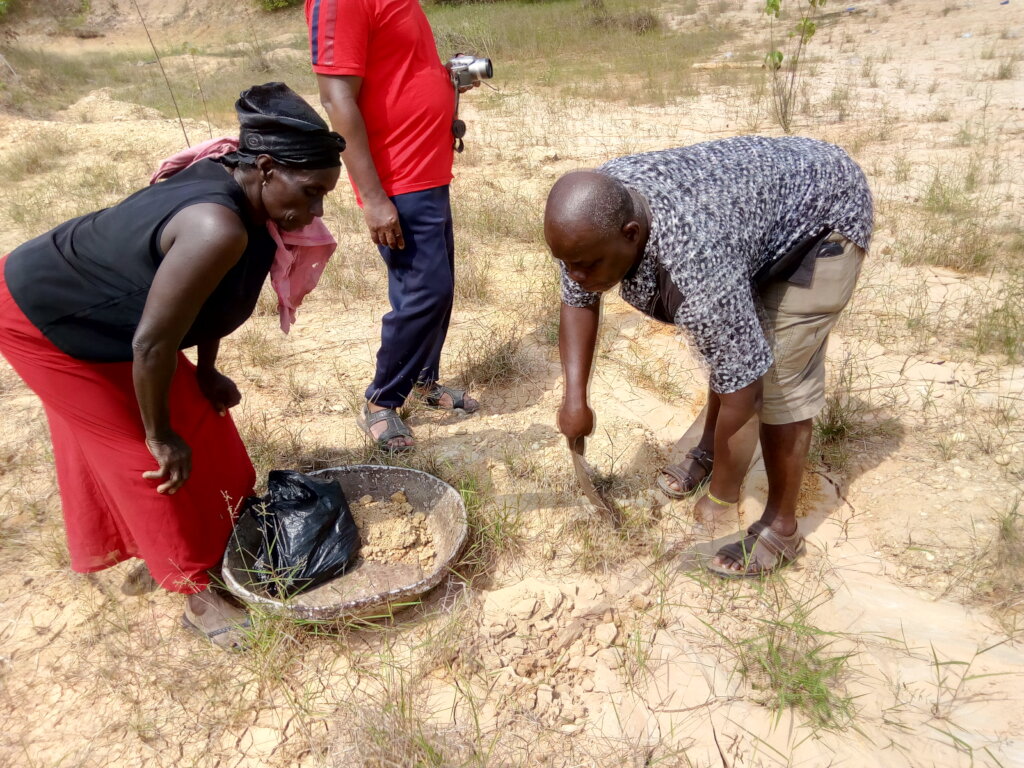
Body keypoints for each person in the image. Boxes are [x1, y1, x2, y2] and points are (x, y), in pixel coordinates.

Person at [0, 83, 344, 647]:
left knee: (204, 417)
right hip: (41, 316)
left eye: (323, 196)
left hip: (116, 320)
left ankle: (221, 529)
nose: (315, 211)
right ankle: (195, 592)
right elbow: (152, 346)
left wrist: (206, 372)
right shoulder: (216, 227)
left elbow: (213, 302)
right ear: (264, 168)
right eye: (309, 192)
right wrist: (159, 435)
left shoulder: (246, 201)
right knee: (141, 457)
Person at [546, 135, 873, 578]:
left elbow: (745, 388)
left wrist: (722, 499)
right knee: (729, 347)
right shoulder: (591, 217)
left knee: (777, 378)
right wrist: (574, 398)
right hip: (748, 213)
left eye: (586, 265)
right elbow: (578, 298)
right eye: (567, 263)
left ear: (632, 234)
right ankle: (712, 451)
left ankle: (780, 527)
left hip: (822, 216)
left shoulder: (695, 266)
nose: (576, 276)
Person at [306, 0, 480, 452]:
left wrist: (444, 78)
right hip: (397, 177)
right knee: (427, 290)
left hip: (429, 168)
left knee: (438, 286)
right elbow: (335, 97)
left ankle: (424, 380)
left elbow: (398, 70)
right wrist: (374, 197)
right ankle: (382, 400)